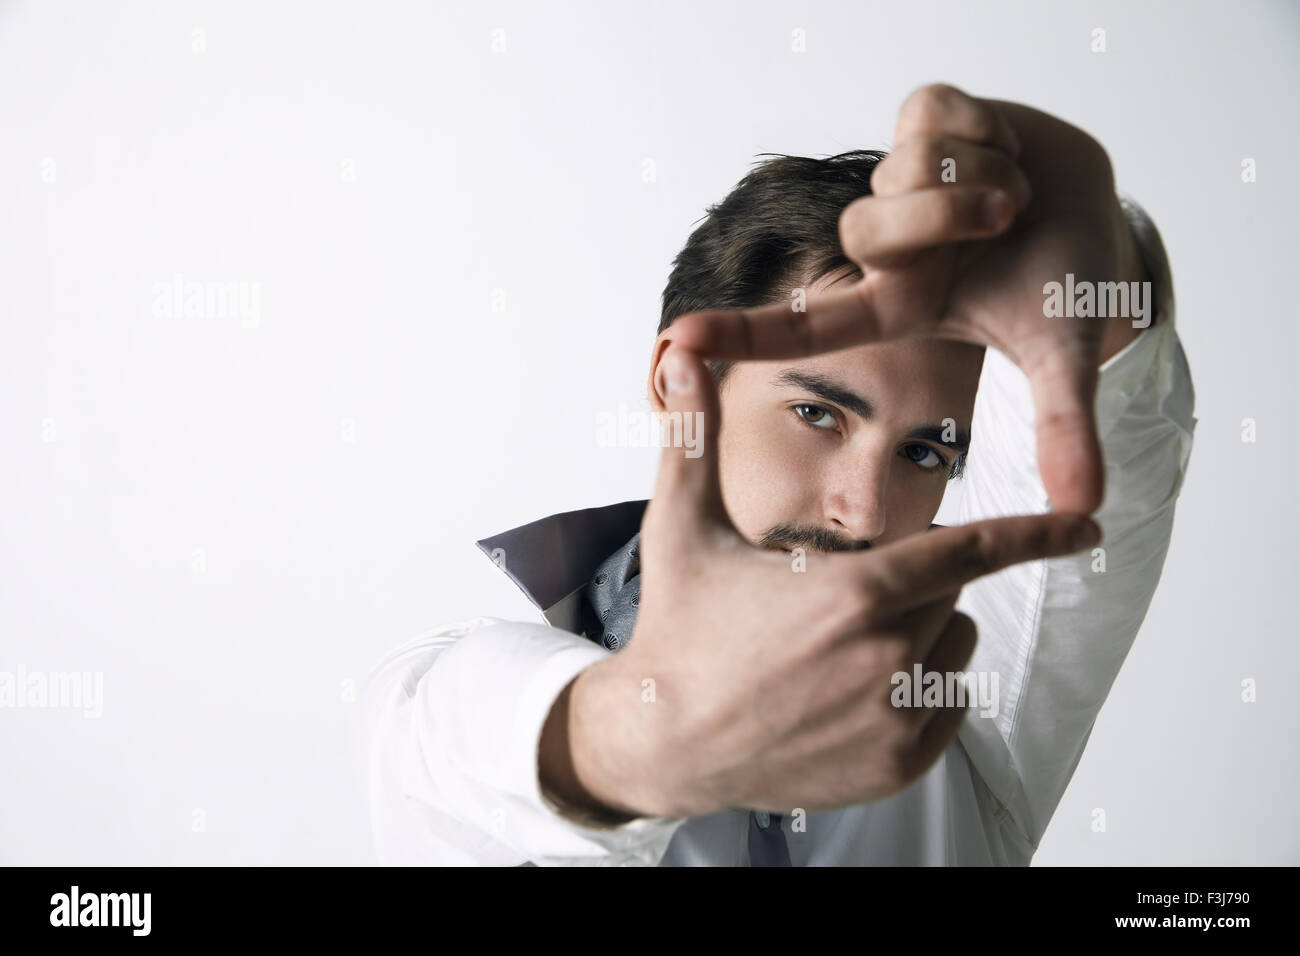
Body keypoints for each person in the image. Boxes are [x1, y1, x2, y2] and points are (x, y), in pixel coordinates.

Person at [364, 84, 1196, 865]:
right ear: (679, 388)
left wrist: (1094, 280)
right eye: (817, 415)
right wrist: (663, 738)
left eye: (924, 454)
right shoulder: (446, 703)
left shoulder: (964, 694)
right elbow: (487, 733)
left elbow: (1110, 444)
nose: (864, 513)